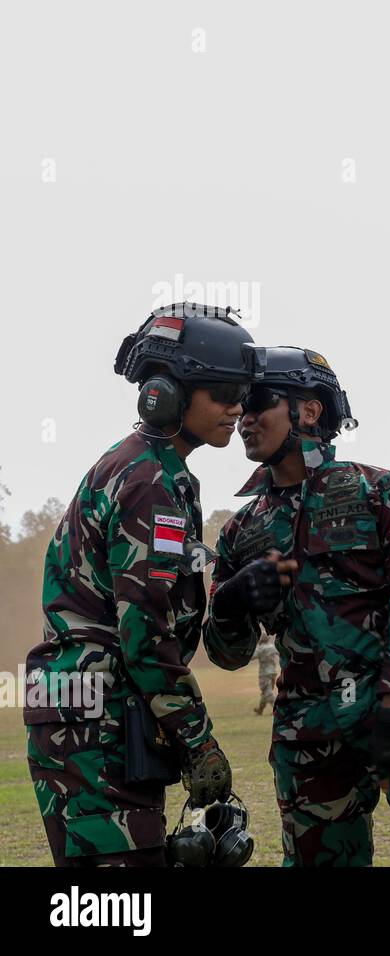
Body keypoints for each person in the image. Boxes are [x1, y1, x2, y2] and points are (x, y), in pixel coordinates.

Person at [26, 302, 255, 866]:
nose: (237, 407)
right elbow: (146, 634)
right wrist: (199, 743)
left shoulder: (139, 467)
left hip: (83, 714)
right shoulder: (150, 482)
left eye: (243, 392)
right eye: (223, 389)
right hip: (96, 724)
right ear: (166, 394)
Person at [202, 347, 390, 866]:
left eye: (258, 402)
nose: (244, 418)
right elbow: (227, 653)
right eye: (240, 405)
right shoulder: (242, 530)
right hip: (307, 737)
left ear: (308, 411)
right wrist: (231, 602)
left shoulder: (378, 491)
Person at [253, 632, 278, 715]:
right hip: (273, 671)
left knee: (267, 692)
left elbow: (252, 656)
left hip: (264, 673)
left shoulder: (260, 648)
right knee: (265, 692)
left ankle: (277, 709)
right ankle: (260, 710)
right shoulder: (272, 647)